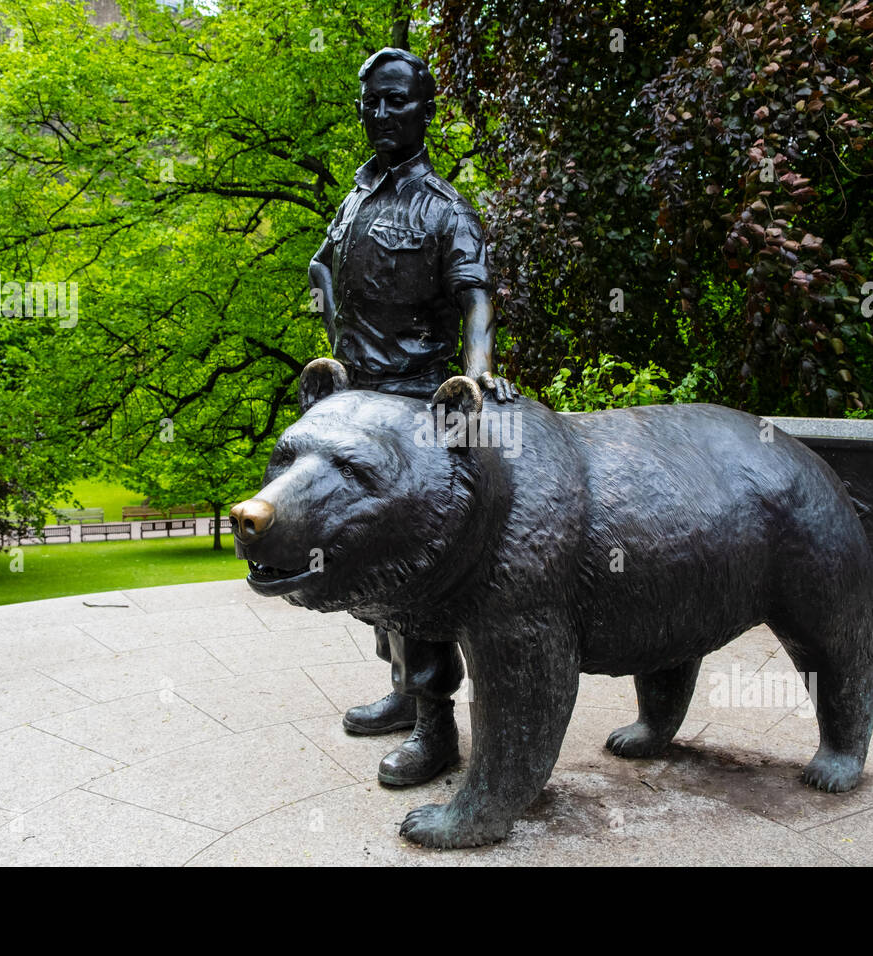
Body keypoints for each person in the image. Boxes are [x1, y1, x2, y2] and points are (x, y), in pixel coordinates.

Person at [307, 47, 517, 786]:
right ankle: (401, 692)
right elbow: (324, 265)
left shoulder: (442, 206)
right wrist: (333, 332)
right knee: (362, 563)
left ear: (425, 110)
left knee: (410, 574)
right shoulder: (357, 196)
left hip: (414, 411)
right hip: (358, 400)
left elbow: (478, 298)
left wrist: (478, 377)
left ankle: (436, 732)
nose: (382, 113)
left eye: (398, 101)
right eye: (372, 101)